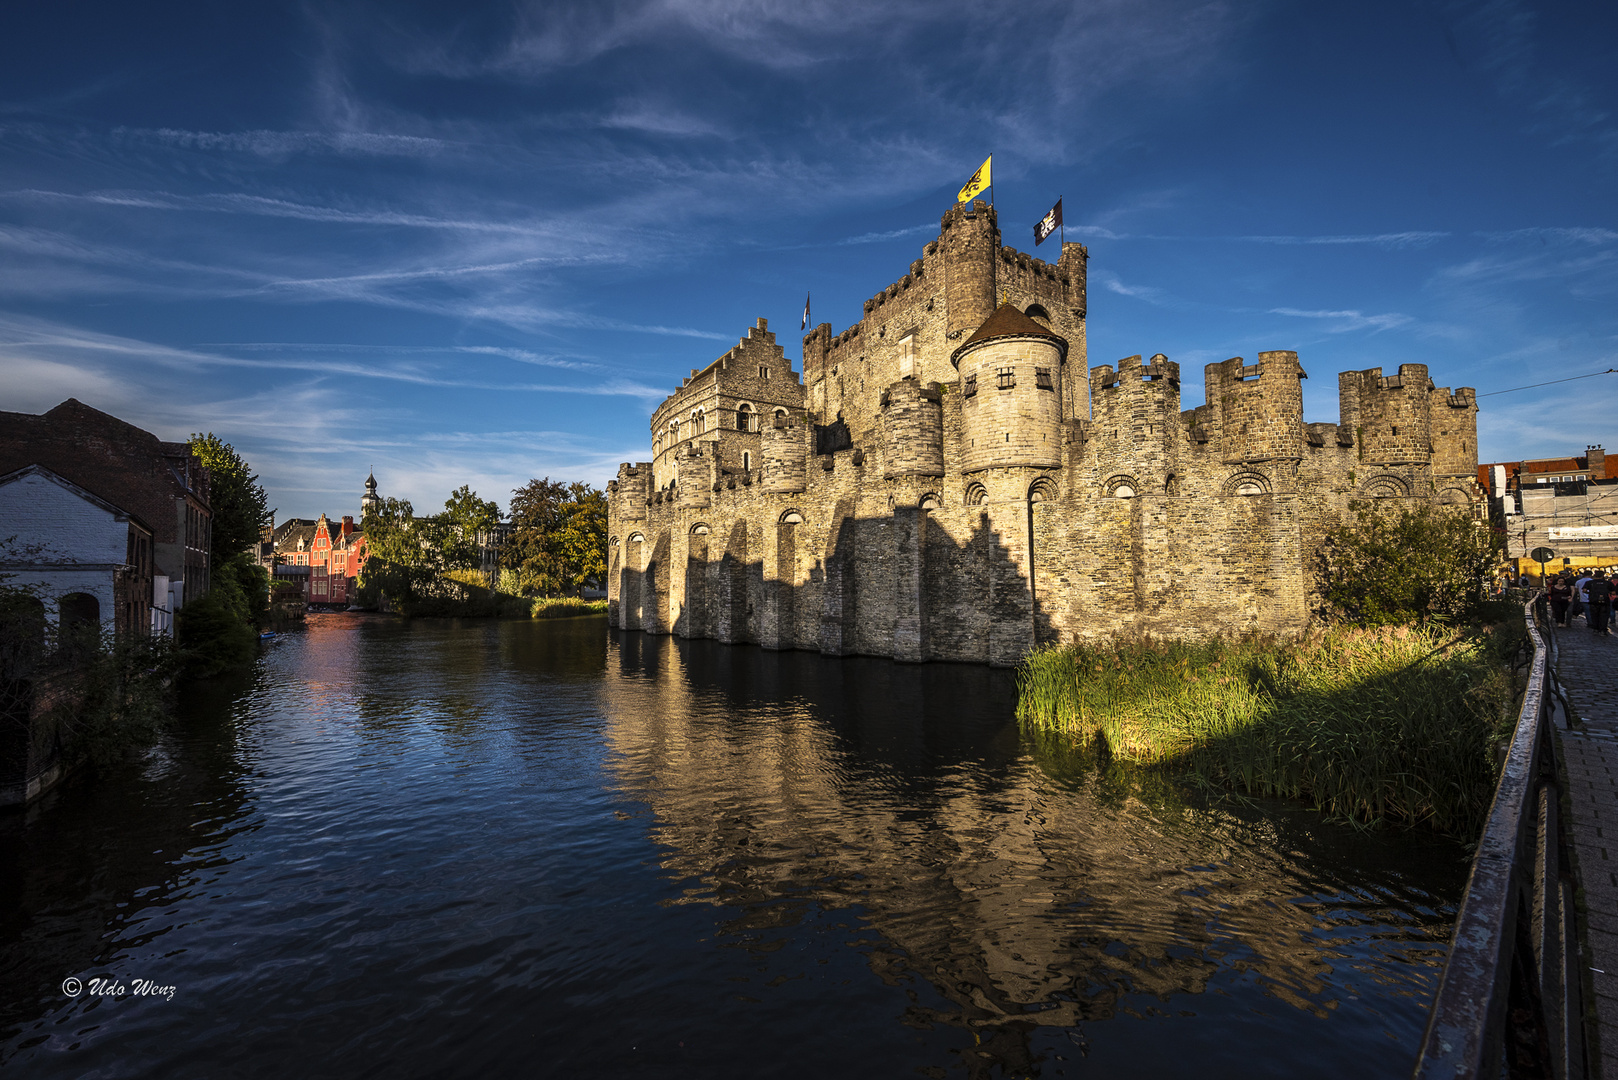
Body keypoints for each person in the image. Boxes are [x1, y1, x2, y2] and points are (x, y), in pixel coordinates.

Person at [1589, 571, 1612, 637]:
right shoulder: (1608, 583)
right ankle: (1602, 630)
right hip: (1605, 601)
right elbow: (1613, 592)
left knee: (1594, 616)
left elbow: (1584, 590)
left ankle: (1596, 628)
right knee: (1604, 616)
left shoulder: (1590, 583)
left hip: (1593, 601)